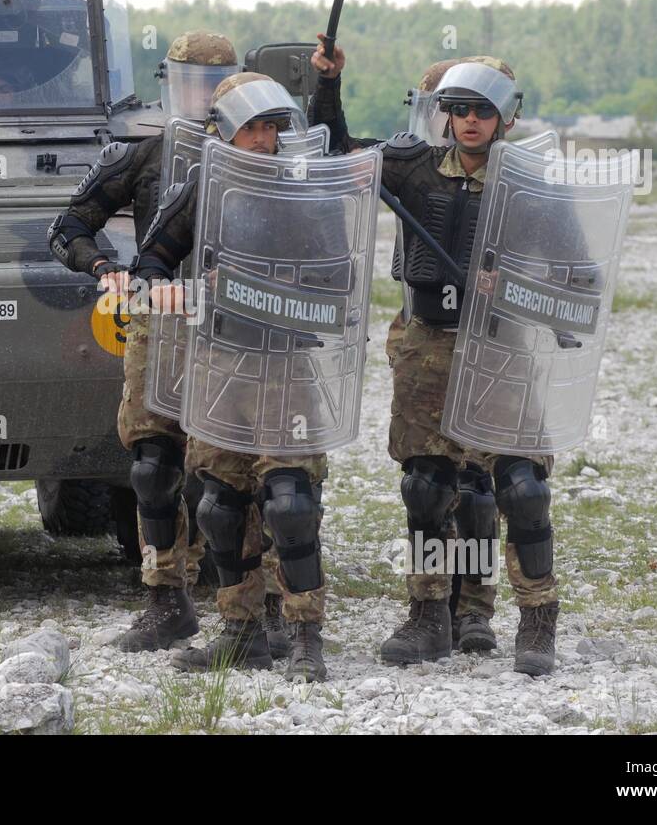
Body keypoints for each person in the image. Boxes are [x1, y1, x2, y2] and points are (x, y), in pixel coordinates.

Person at [308, 41, 561, 676]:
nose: (471, 120)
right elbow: (336, 150)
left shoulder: (529, 183)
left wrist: (514, 284)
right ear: (444, 113)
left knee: (521, 486)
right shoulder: (413, 168)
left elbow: (576, 272)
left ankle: (537, 619)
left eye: (483, 110)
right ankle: (428, 615)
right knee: (426, 485)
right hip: (427, 340)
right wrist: (330, 83)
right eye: (459, 109)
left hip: (500, 344)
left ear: (505, 116)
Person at [48, 34, 294, 657]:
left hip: (242, 332)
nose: (205, 95)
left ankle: (264, 608)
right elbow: (68, 225)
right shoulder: (145, 153)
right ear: (169, 84)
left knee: (247, 473)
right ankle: (165, 598)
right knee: (153, 467)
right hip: (162, 328)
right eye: (191, 82)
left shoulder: (279, 156)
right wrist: (105, 267)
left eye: (218, 82)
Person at [136, 72, 332, 682]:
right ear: (224, 132)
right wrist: (197, 290)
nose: (262, 138)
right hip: (220, 360)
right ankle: (241, 631)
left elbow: (340, 279)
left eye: (272, 127)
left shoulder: (306, 193)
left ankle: (305, 636)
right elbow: (149, 264)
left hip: (285, 362)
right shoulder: (204, 190)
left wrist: (287, 287)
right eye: (250, 126)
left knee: (290, 503)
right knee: (219, 504)